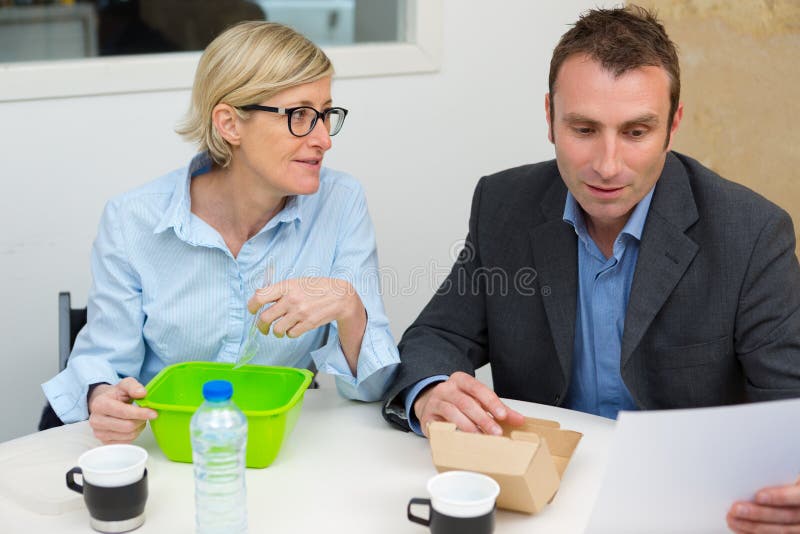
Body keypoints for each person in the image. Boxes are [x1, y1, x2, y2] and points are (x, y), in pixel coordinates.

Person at [381, 6, 800, 532]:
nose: (607, 164)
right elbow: (437, 336)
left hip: (686, 504)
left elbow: (789, 407)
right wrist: (431, 391)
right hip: (543, 500)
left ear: (673, 125)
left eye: (636, 132)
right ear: (549, 117)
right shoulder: (503, 205)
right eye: (583, 128)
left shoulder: (752, 233)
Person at [43, 21, 399, 443]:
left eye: (325, 115)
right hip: (165, 447)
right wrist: (103, 396)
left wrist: (348, 305)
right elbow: (104, 366)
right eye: (300, 115)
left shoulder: (341, 203)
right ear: (229, 124)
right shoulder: (132, 219)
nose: (324, 139)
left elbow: (372, 389)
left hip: (272, 450)